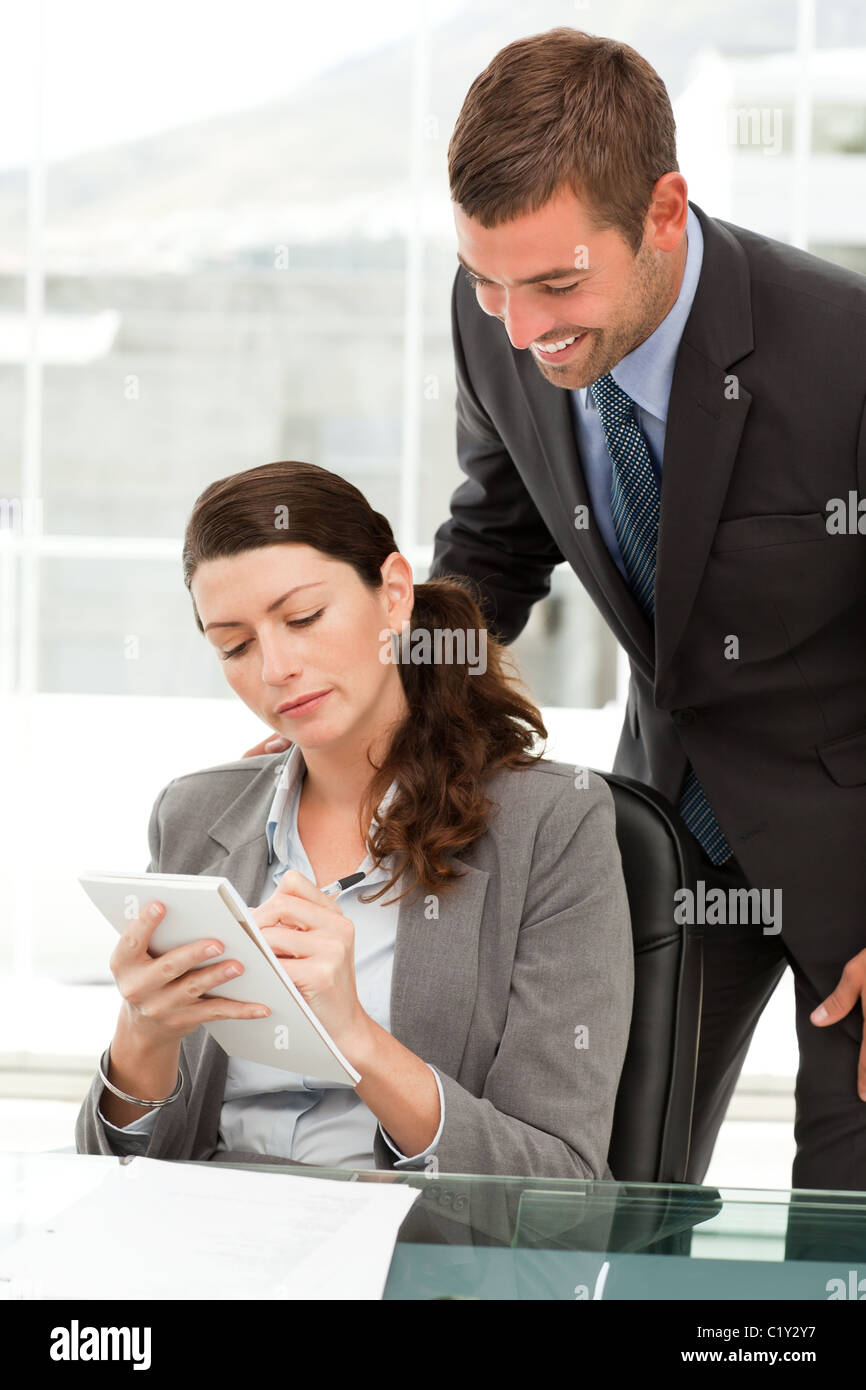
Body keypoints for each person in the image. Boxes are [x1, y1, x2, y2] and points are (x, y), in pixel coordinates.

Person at [394, 27, 866, 1192]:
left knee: (841, 1225)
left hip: (853, 842)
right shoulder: (496, 322)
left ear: (663, 211)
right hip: (666, 825)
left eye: (556, 282)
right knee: (596, 1188)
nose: (520, 325)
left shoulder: (844, 351)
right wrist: (386, 698)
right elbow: (494, 543)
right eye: (488, 280)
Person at [75, 460, 634, 1178]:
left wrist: (355, 1039)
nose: (275, 667)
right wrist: (142, 1039)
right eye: (235, 646)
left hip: (410, 1261)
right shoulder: (194, 813)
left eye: (303, 618)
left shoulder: (550, 824)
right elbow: (112, 1176)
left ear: (394, 595)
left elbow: (560, 1187)